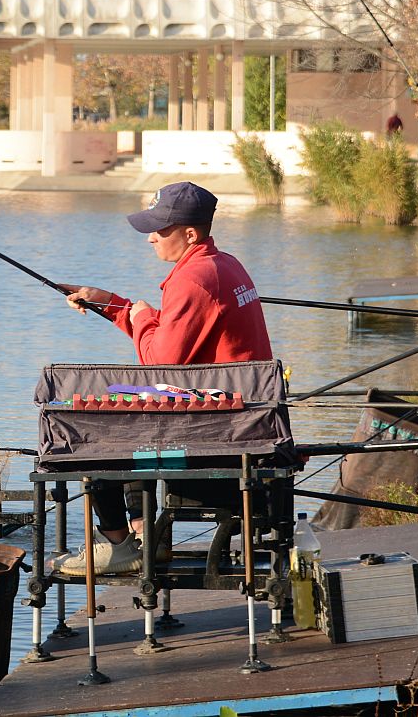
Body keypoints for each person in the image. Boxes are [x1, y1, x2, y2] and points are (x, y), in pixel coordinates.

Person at [53, 181, 273, 575]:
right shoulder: (223, 264)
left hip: (220, 430)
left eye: (160, 230)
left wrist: (137, 316)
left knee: (92, 433)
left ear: (190, 234)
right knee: (126, 408)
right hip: (241, 414)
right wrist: (110, 303)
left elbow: (161, 362)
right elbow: (173, 335)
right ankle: (147, 540)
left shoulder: (192, 279)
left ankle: (125, 543)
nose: (150, 238)